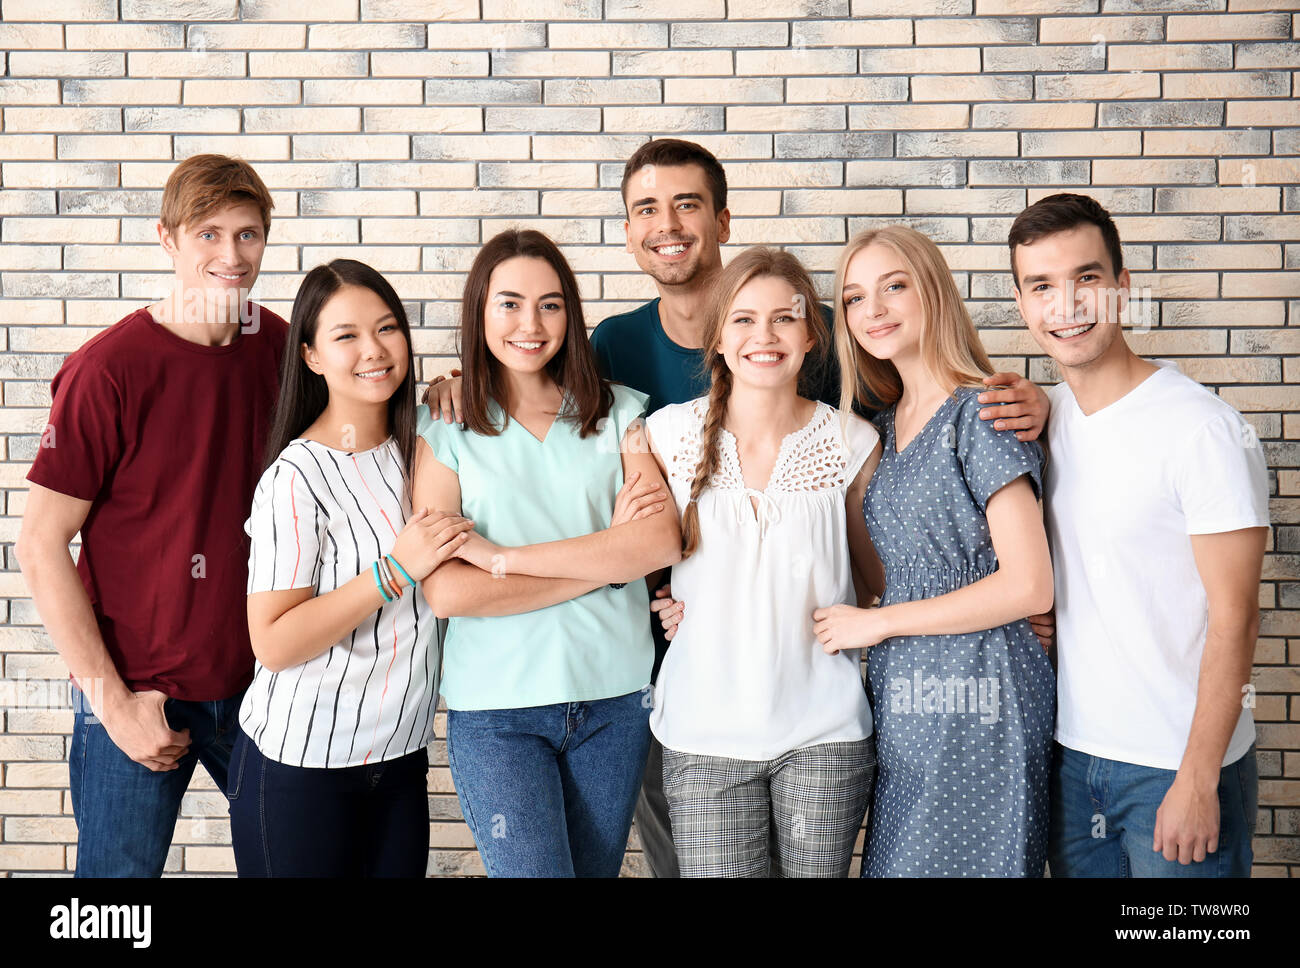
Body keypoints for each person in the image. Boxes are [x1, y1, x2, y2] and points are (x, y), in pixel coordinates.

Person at [423, 139, 1052, 877]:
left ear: (723, 219)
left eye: (687, 203)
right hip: (686, 696)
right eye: (646, 209)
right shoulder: (623, 374)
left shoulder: (847, 386)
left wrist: (1038, 401)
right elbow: (642, 522)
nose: (668, 223)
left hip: (816, 710)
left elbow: (901, 478)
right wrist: (660, 590)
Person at [16, 154, 288, 876]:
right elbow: (41, 545)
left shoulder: (285, 350)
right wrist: (112, 704)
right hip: (139, 691)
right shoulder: (107, 370)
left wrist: (448, 392)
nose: (231, 256)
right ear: (167, 239)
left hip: (262, 690)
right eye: (208, 234)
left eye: (248, 234)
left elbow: (373, 405)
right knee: (113, 898)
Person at [1008, 193, 1268, 877]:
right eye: (1042, 286)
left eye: (1087, 279)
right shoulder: (1047, 420)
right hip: (1074, 759)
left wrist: (1198, 778)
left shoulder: (1202, 429)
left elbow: (1236, 616)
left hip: (1175, 768)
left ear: (1122, 290)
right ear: (1023, 303)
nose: (1066, 305)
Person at [416, 229, 680, 877]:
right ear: (479, 313)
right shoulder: (444, 426)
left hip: (616, 700)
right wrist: (602, 570)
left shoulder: (623, 415)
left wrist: (501, 559)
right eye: (508, 303)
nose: (530, 324)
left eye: (550, 304)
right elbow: (448, 590)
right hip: (499, 710)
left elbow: (655, 542)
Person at [812, 225, 1057, 877]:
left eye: (895, 286)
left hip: (984, 699)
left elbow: (1030, 585)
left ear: (935, 292)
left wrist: (878, 622)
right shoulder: (884, 429)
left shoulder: (983, 412)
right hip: (906, 709)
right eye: (856, 297)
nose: (876, 310)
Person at [230, 260, 472, 877]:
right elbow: (274, 642)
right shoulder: (296, 477)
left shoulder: (422, 446)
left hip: (400, 758)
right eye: (346, 336)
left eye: (387, 328)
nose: (374, 350)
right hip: (302, 769)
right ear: (311, 356)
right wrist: (394, 572)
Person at [645, 246, 882, 877]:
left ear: (811, 335)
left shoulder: (852, 442)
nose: (765, 336)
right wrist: (660, 601)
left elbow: (874, 579)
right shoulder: (664, 435)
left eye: (784, 318)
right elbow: (635, 549)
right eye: (745, 319)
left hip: (823, 728)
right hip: (702, 731)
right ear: (718, 335)